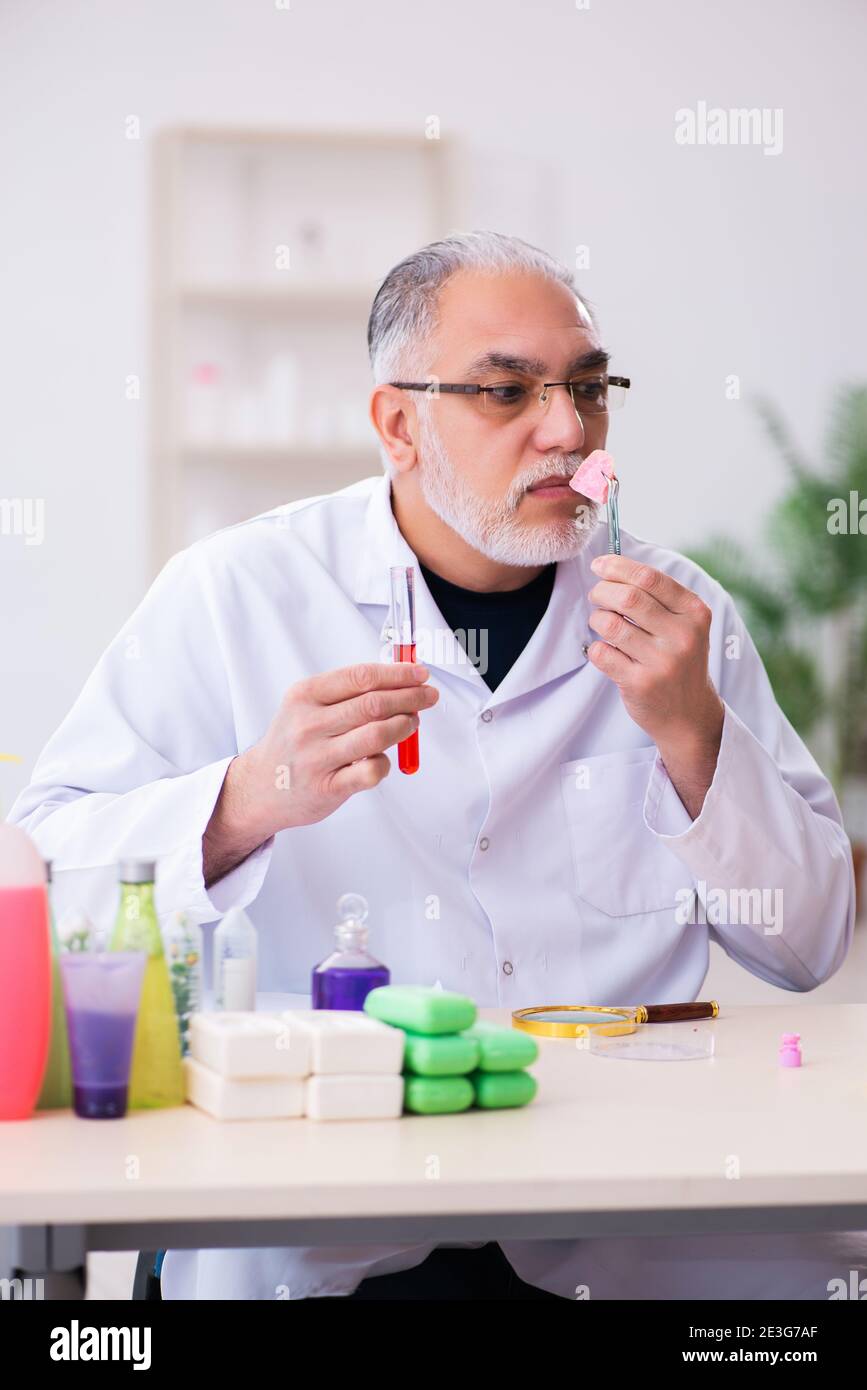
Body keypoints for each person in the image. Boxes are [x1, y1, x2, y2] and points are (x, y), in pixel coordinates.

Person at [10, 231, 862, 1300]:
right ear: (399, 424)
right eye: (508, 394)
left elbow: (812, 942)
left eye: (589, 391)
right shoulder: (238, 594)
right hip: (328, 1192)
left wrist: (697, 740)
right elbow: (44, 868)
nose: (566, 430)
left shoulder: (678, 612)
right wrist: (243, 801)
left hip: (632, 1194)